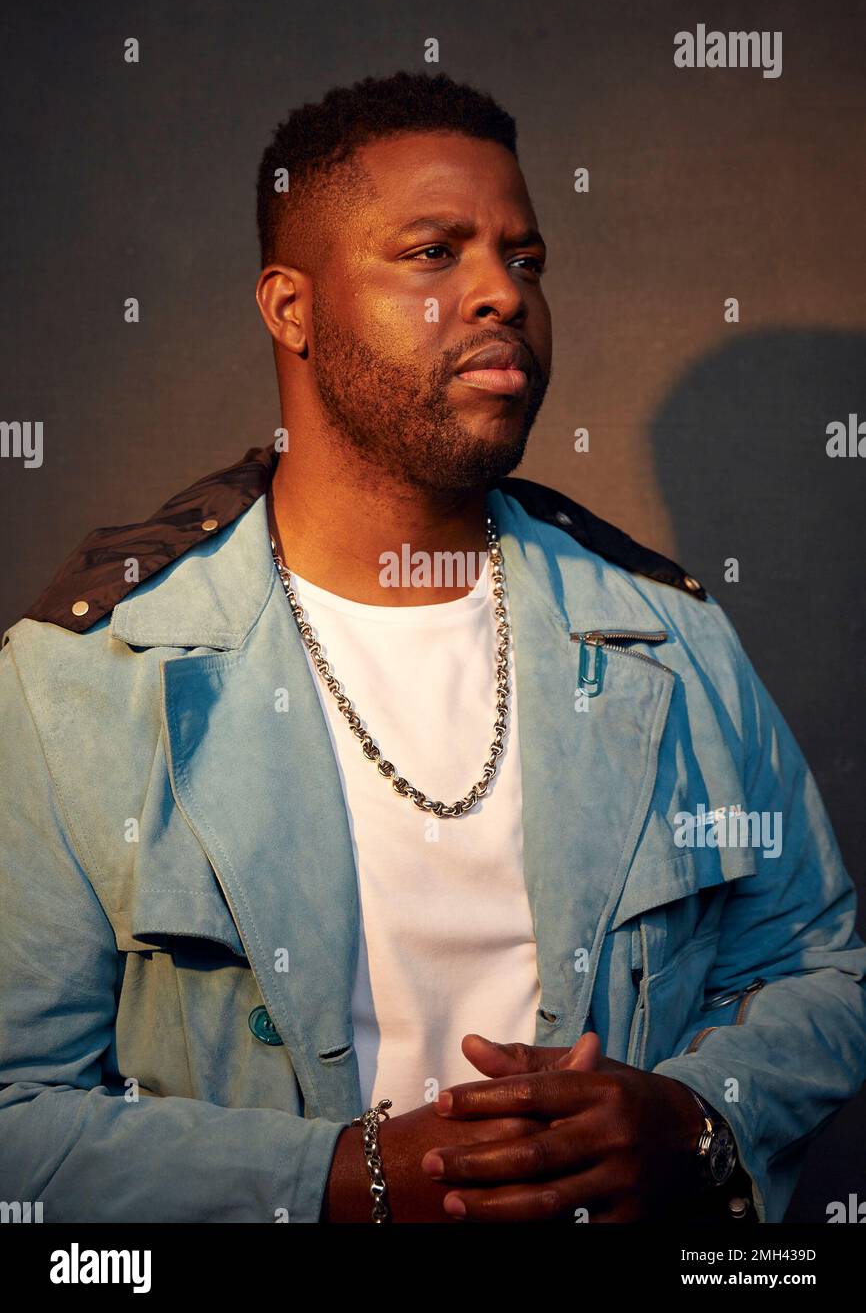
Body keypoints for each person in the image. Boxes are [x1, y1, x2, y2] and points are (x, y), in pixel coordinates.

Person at [1, 70, 863, 1225]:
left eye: (524, 258)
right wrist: (332, 1186)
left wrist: (692, 1118)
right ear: (290, 308)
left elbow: (819, 971)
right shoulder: (84, 678)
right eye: (431, 253)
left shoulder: (669, 636)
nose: (500, 293)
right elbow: (17, 1112)